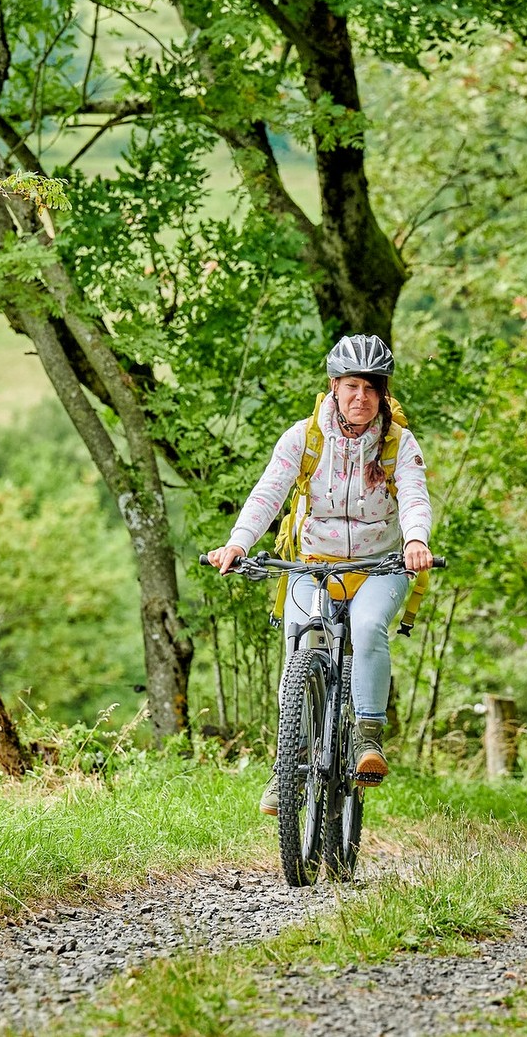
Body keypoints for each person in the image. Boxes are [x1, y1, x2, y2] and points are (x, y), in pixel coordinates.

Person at [207, 335, 433, 813]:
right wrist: (237, 543)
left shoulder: (397, 442)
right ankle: (286, 765)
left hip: (379, 565)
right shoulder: (305, 437)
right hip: (311, 564)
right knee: (299, 641)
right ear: (334, 386)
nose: (361, 398)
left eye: (371, 388)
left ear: (383, 393)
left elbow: (414, 495)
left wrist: (416, 541)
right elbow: (269, 491)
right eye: (351, 386)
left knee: (369, 627)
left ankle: (368, 739)